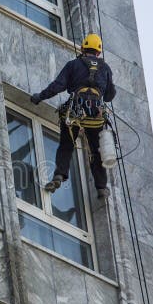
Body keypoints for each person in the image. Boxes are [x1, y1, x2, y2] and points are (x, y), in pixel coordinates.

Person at [30, 33, 116, 199]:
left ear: (83, 48)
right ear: (98, 52)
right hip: (95, 116)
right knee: (95, 150)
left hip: (75, 112)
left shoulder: (74, 64)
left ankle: (59, 175)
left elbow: (58, 86)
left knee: (66, 144)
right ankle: (102, 188)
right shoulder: (105, 68)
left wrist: (40, 96)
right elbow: (109, 96)